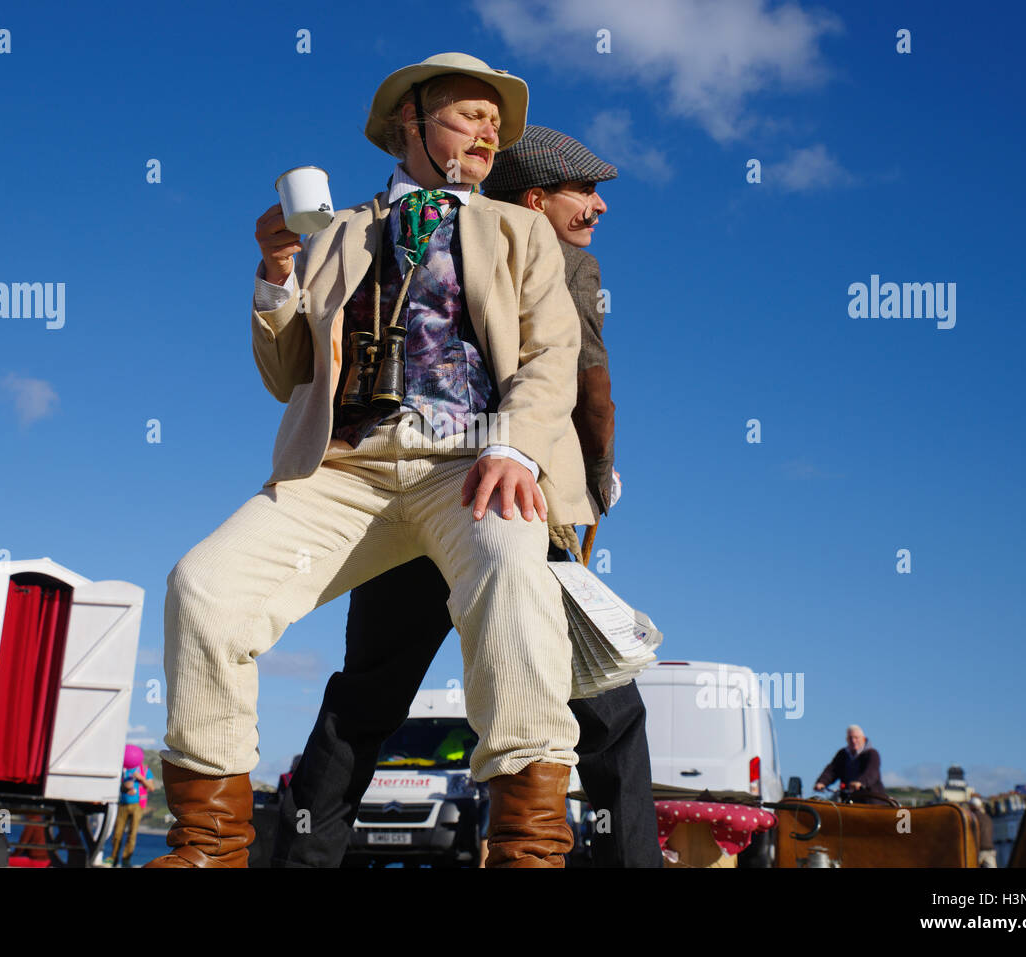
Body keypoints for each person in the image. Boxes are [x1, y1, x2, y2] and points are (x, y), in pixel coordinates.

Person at [147, 53, 598, 869]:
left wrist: (513, 447)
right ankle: (208, 848)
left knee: (515, 579)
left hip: (470, 464)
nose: (488, 134)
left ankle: (529, 851)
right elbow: (287, 374)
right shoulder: (340, 230)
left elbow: (552, 353)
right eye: (470, 115)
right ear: (410, 122)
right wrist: (276, 273)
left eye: (496, 124)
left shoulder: (520, 227)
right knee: (203, 589)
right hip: (345, 470)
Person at [271, 126, 662, 869]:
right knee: (611, 715)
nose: (599, 206)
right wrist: (594, 480)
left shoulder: (414, 246)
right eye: (583, 192)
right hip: (504, 503)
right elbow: (589, 386)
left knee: (363, 705)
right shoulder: (563, 262)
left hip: (408, 492)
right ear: (535, 201)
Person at [814, 724, 886, 801]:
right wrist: (822, 782)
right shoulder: (842, 754)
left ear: (864, 739)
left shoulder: (872, 754)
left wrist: (860, 782)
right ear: (847, 740)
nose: (853, 741)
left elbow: (871, 772)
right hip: (848, 798)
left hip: (871, 799)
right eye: (850, 738)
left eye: (856, 738)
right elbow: (832, 770)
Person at [110, 762, 155, 867]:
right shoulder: (122, 769)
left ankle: (126, 860)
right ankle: (113, 858)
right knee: (117, 833)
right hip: (122, 804)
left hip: (138, 805)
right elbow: (114, 785)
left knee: (132, 833)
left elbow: (152, 787)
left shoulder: (145, 770)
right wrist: (125, 787)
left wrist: (141, 778)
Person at [968, 796, 996, 867]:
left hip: (978, 851)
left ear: (971, 806)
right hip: (990, 849)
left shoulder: (971, 818)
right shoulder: (987, 817)